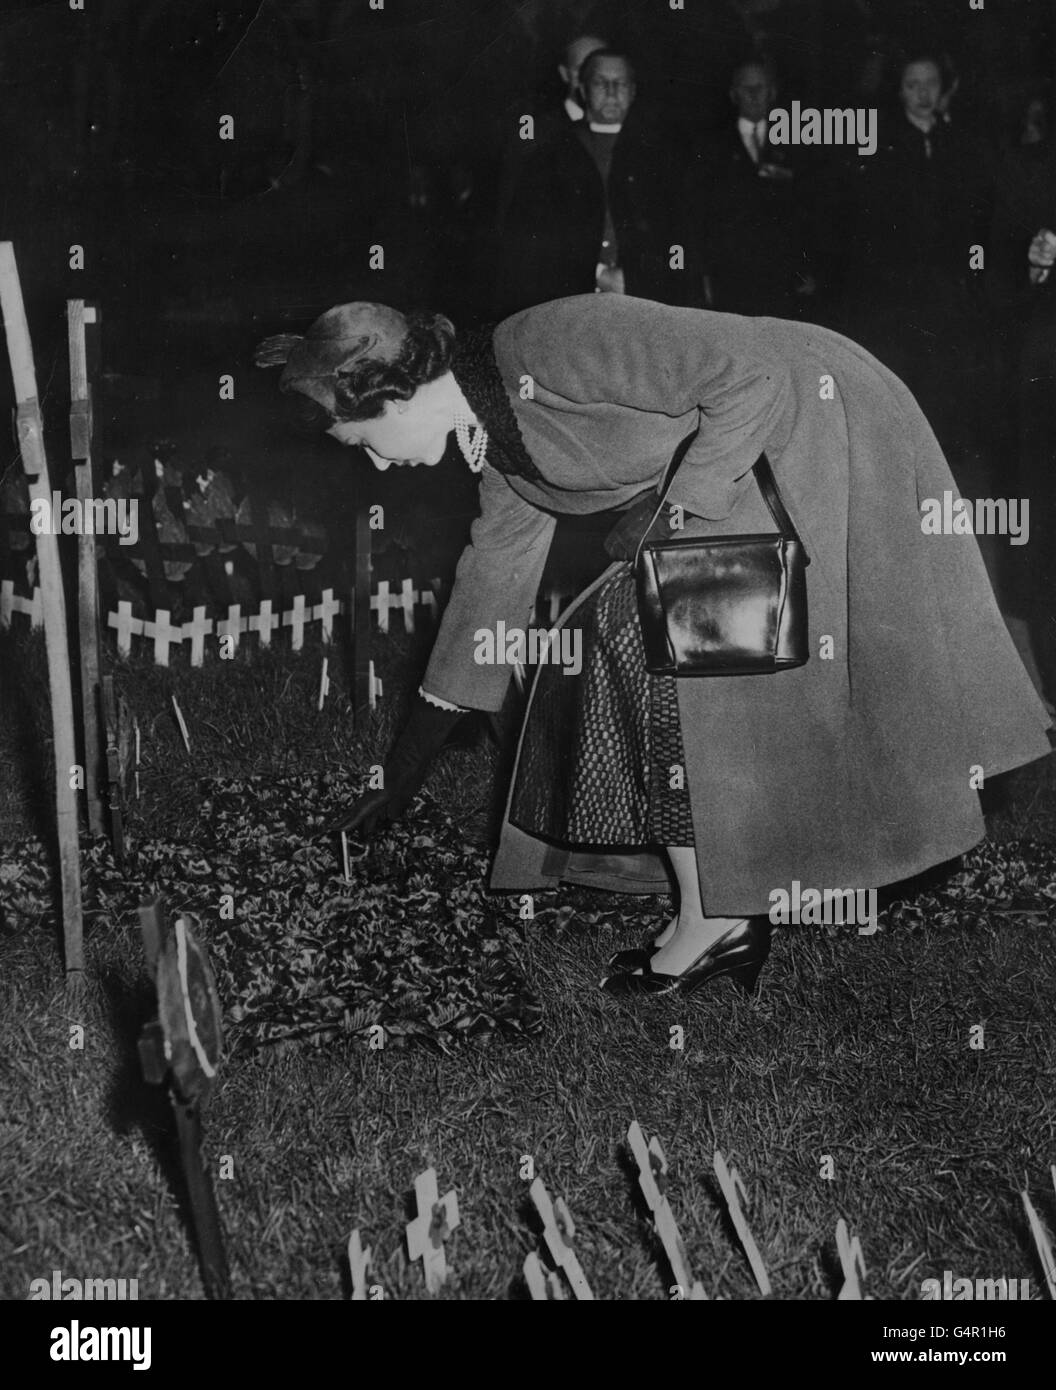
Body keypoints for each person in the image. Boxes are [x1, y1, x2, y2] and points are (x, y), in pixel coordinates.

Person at [255, 296, 1052, 999]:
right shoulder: (499, 450)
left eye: (364, 440)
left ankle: (719, 919)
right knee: (622, 658)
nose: (376, 464)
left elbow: (749, 378)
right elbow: (486, 600)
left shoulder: (549, 341)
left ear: (394, 393)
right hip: (737, 471)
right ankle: (724, 914)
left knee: (648, 652)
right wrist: (400, 779)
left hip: (811, 420)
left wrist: (668, 519)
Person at [493, 50, 679, 317]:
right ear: (583, 89)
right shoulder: (552, 156)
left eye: (621, 83)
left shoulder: (658, 155)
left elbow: (675, 240)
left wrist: (640, 276)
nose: (612, 92)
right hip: (572, 304)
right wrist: (599, 274)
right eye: (601, 82)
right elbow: (533, 244)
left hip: (644, 306)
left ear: (634, 91)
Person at [681, 58, 820, 317]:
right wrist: (701, 275)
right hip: (730, 276)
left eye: (761, 87)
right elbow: (697, 214)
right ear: (733, 94)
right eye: (746, 88)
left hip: (784, 277)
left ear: (773, 92)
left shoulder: (797, 143)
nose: (754, 95)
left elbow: (810, 209)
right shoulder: (710, 146)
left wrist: (809, 267)